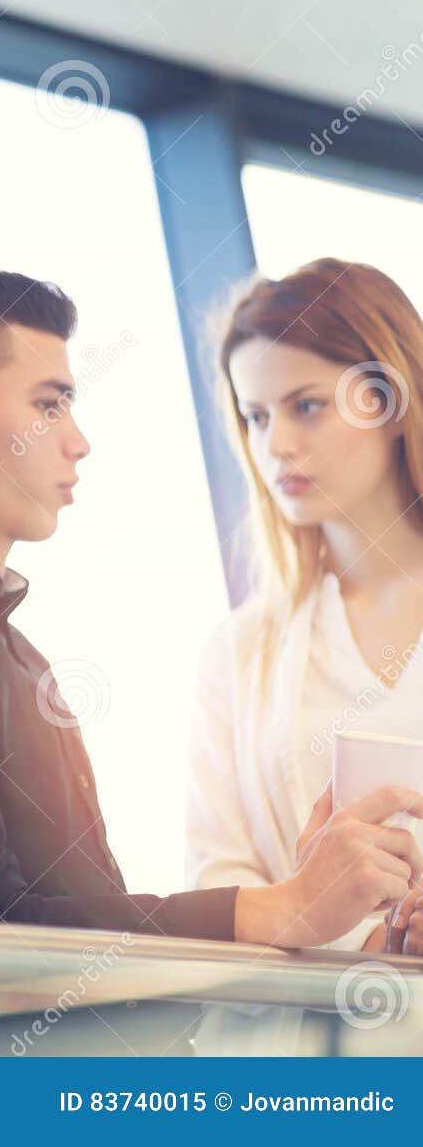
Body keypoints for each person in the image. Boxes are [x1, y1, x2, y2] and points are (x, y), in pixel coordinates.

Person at [0, 265, 421, 950]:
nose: (274, 446)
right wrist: (314, 917)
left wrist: (293, 909)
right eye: (49, 404)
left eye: (305, 405)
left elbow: (67, 907)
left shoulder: (11, 646)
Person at [190, 258, 423, 956]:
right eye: (255, 416)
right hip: (314, 1040)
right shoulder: (240, 651)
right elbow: (216, 872)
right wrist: (332, 930)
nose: (276, 445)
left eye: (306, 406)